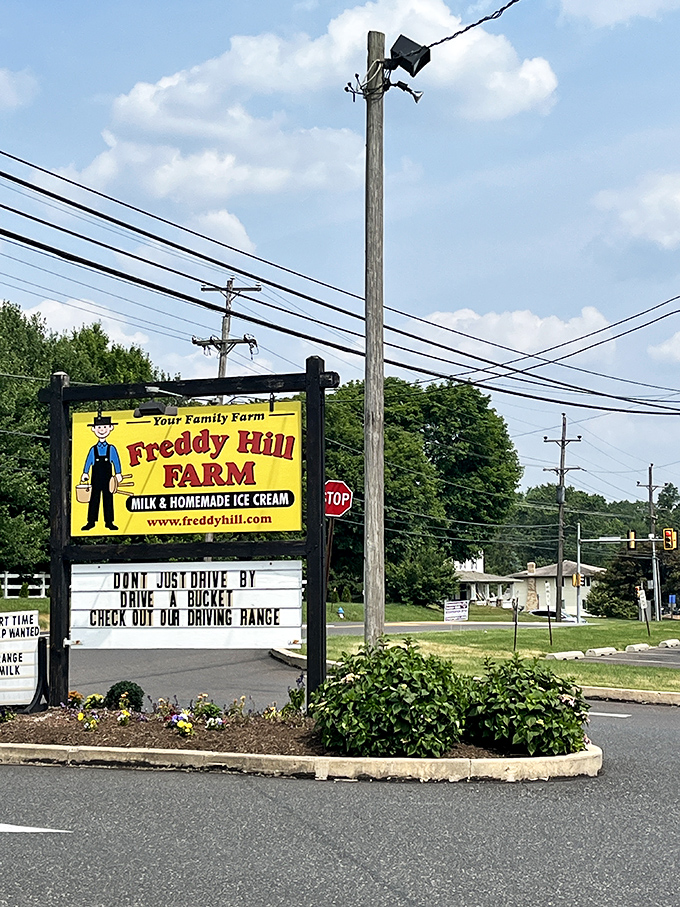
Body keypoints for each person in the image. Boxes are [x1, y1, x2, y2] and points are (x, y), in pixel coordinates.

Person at [80, 414, 123, 531]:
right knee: (94, 498)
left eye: (104, 427)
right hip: (96, 477)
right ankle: (91, 521)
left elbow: (116, 461)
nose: (102, 430)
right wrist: (85, 473)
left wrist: (118, 473)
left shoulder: (111, 448)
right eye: (99, 428)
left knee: (108, 498)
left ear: (110, 428)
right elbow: (89, 461)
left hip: (108, 477)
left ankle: (109, 522)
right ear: (93, 429)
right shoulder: (93, 449)